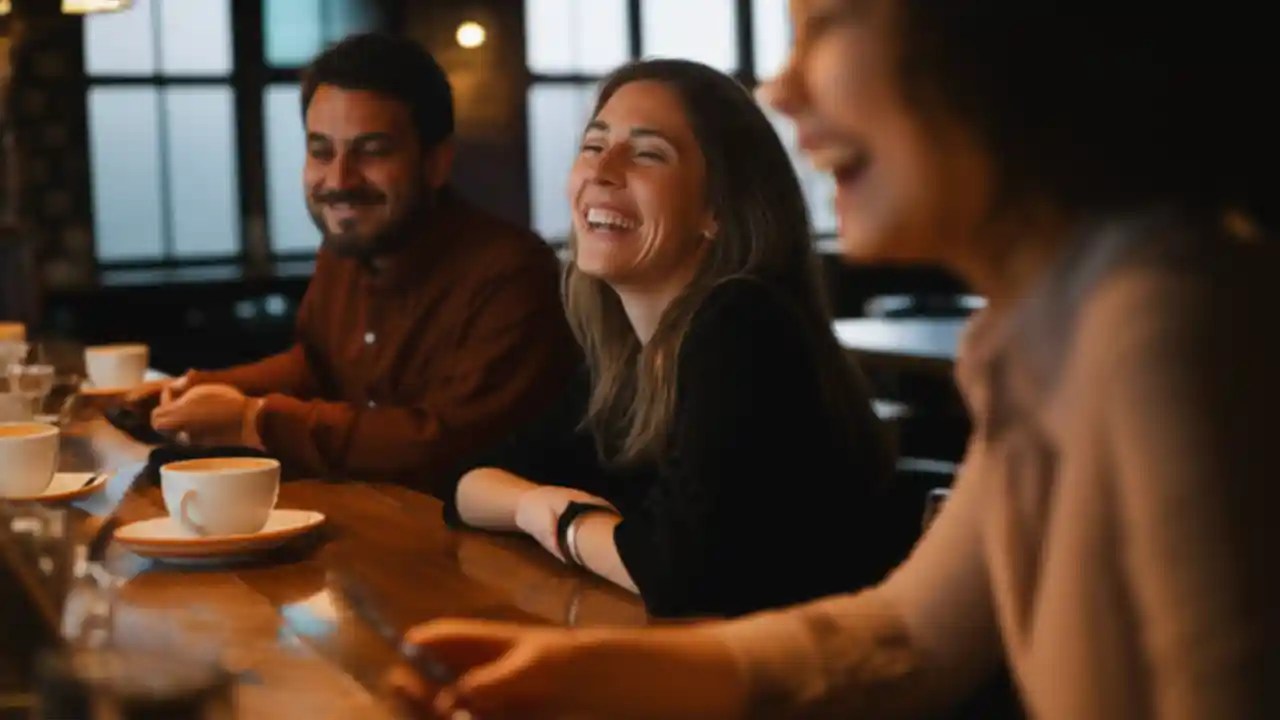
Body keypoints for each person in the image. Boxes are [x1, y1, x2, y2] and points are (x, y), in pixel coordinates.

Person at [391, 1, 1280, 718]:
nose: (782, 89)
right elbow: (907, 639)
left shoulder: (1164, 315)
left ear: (984, 41)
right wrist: (593, 675)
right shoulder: (1040, 328)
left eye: (827, 27)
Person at [441, 59, 896, 618]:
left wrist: (565, 523)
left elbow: (676, 574)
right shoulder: (628, 353)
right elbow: (464, 482)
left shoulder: (743, 324)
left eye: (648, 153)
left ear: (716, 210)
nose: (602, 171)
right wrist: (534, 503)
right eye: (593, 145)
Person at [130, 34, 578, 493]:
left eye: (372, 150)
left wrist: (254, 420)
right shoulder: (347, 247)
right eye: (321, 151)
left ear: (437, 162)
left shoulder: (512, 273)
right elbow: (318, 366)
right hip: (363, 529)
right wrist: (200, 386)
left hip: (483, 553)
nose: (339, 180)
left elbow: (443, 445)